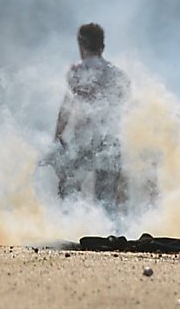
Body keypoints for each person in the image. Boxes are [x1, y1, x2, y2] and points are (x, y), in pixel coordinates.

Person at [52, 23, 130, 222]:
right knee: (106, 196)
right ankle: (106, 236)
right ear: (102, 45)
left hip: (83, 139)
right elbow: (124, 107)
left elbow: (67, 106)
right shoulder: (118, 74)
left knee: (69, 187)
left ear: (81, 43)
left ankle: (70, 228)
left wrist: (58, 135)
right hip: (111, 138)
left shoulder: (77, 71)